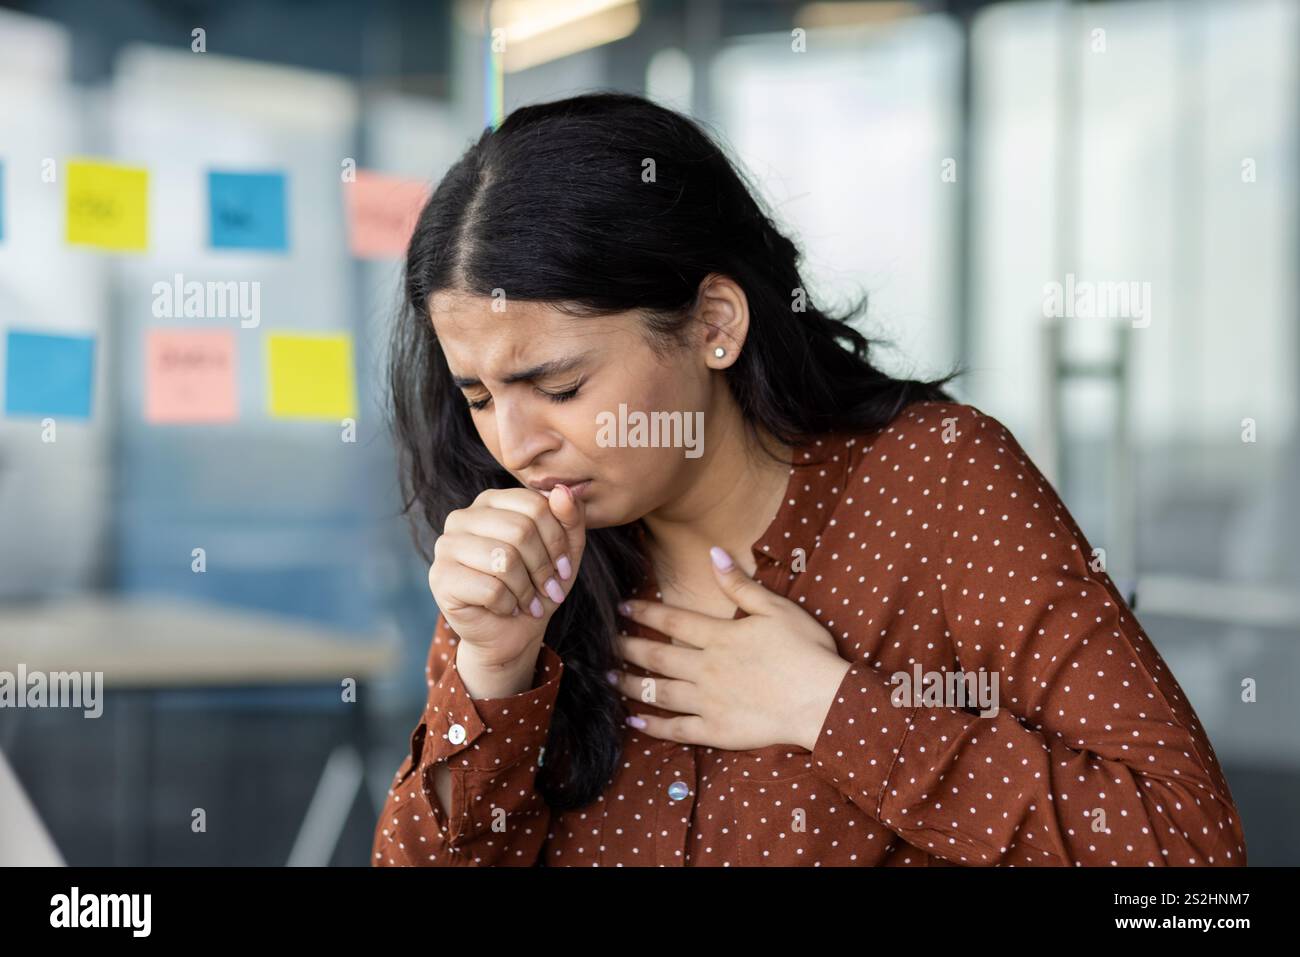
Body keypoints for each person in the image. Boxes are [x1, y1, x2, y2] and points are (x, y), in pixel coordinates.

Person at [373, 91, 1246, 867]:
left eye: (561, 386)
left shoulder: (934, 482)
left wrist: (829, 708)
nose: (515, 443)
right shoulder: (521, 566)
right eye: (478, 395)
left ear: (714, 323)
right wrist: (492, 668)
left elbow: (1189, 849)